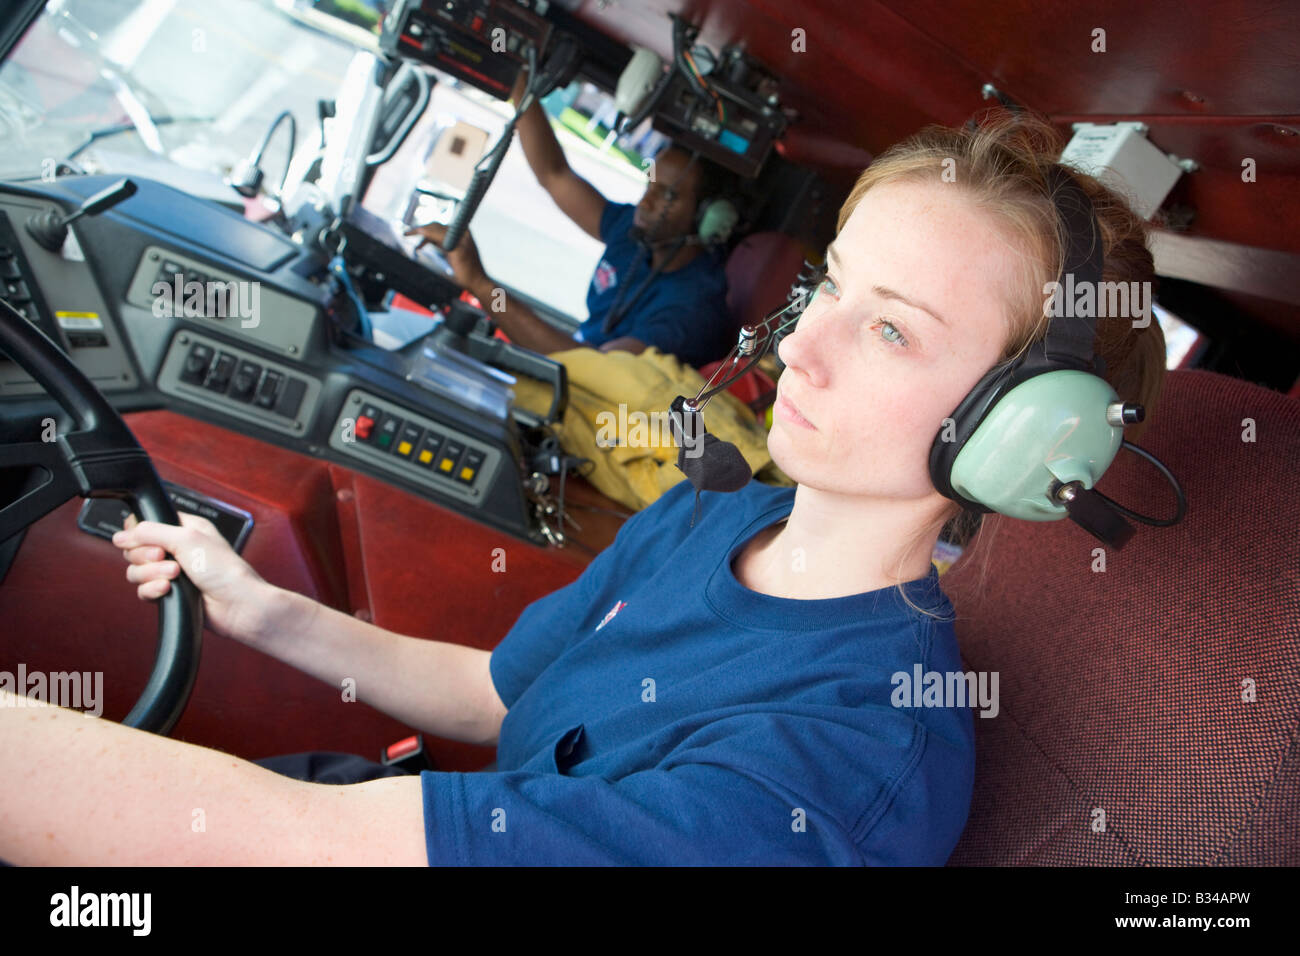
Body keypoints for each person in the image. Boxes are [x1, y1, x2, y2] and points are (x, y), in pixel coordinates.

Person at [0, 109, 1166, 865]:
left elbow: (314, 846)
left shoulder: (846, 760)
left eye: (895, 333)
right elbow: (502, 695)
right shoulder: (719, 507)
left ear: (1017, 440)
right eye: (833, 289)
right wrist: (264, 611)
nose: (798, 347)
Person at [405, 67, 736, 369]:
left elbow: (594, 370)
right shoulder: (636, 234)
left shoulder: (692, 309)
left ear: (708, 219)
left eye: (668, 194)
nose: (645, 202)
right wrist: (521, 82)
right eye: (649, 185)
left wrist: (480, 284)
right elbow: (555, 175)